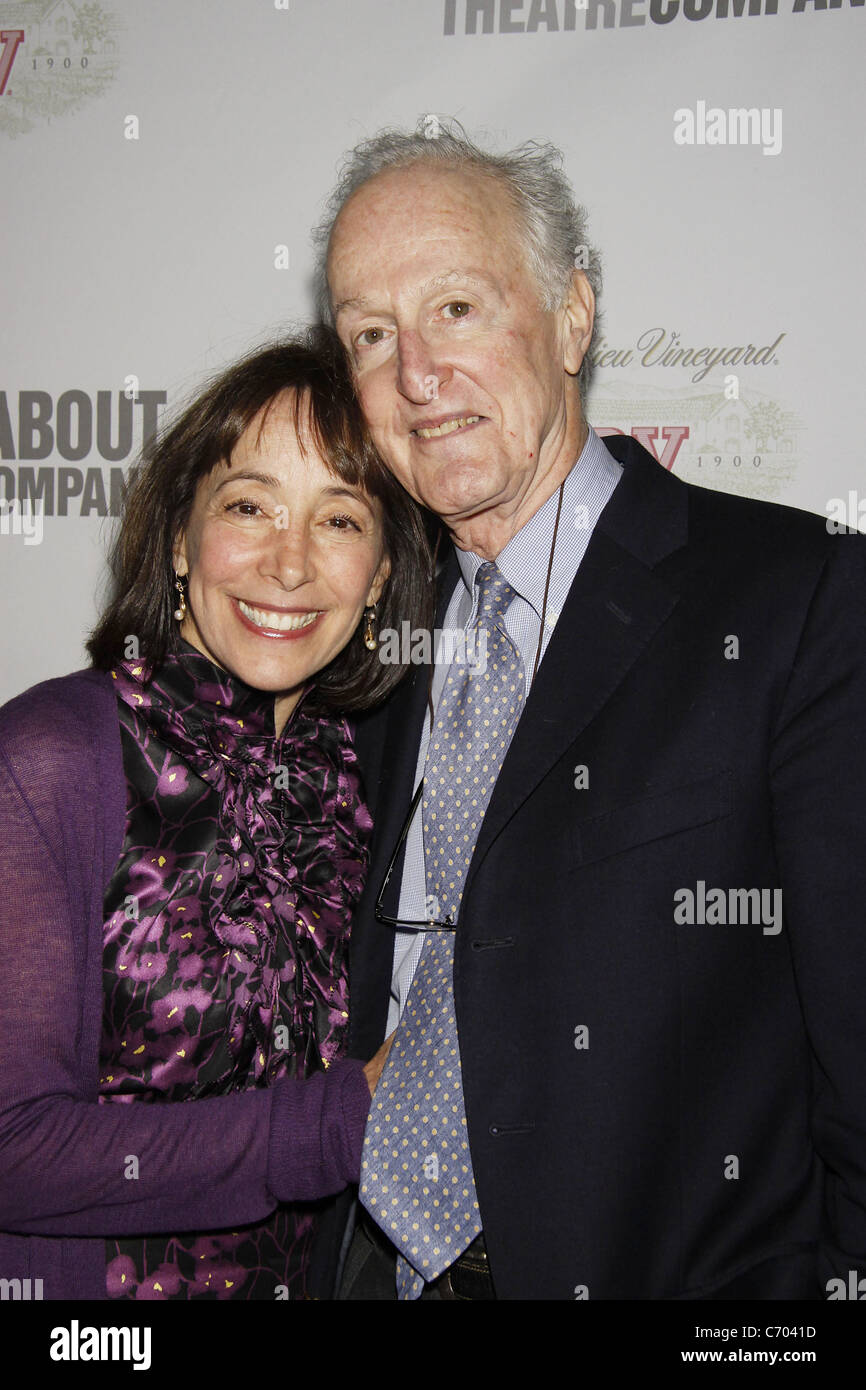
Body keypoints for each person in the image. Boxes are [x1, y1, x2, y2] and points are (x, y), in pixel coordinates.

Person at [310, 120, 866, 1300]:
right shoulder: (355, 638)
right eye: (370, 333)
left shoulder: (793, 595)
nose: (415, 373)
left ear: (570, 314)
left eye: (455, 308)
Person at [0, 333, 432, 1300]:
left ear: (381, 579)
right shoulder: (50, 757)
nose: (289, 563)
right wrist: (345, 1120)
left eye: (340, 519)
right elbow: (12, 1144)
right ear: (178, 540)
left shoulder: (353, 783)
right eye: (250, 506)